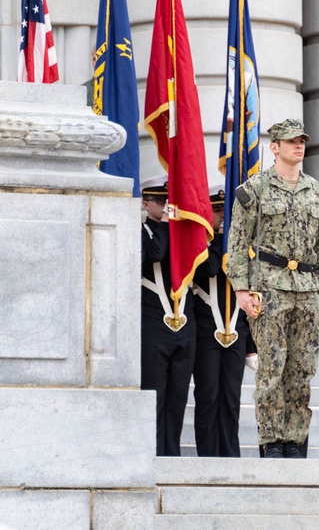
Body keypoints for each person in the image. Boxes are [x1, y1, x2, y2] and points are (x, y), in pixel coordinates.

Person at [227, 119, 319, 459]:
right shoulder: (254, 188)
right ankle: (271, 442)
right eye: (291, 141)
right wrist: (242, 289)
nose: (298, 146)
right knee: (272, 371)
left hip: (307, 289)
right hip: (270, 288)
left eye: (301, 140)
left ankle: (296, 441)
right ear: (275, 147)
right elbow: (238, 243)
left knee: (301, 372)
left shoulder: (316, 190)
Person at [191, 186, 251, 457]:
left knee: (230, 399)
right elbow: (211, 268)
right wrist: (222, 240)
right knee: (208, 397)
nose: (222, 217)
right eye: (216, 211)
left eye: (225, 211)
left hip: (236, 330)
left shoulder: (242, 248)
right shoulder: (200, 245)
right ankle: (207, 456)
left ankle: (229, 456)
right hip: (207, 330)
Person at [140, 175, 196, 457]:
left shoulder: (181, 233)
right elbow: (156, 253)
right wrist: (163, 224)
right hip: (153, 324)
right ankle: (152, 452)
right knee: (155, 395)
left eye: (169, 201)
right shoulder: (142, 231)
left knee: (177, 397)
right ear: (145, 202)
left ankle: (171, 453)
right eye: (160, 201)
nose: (165, 207)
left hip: (184, 326)